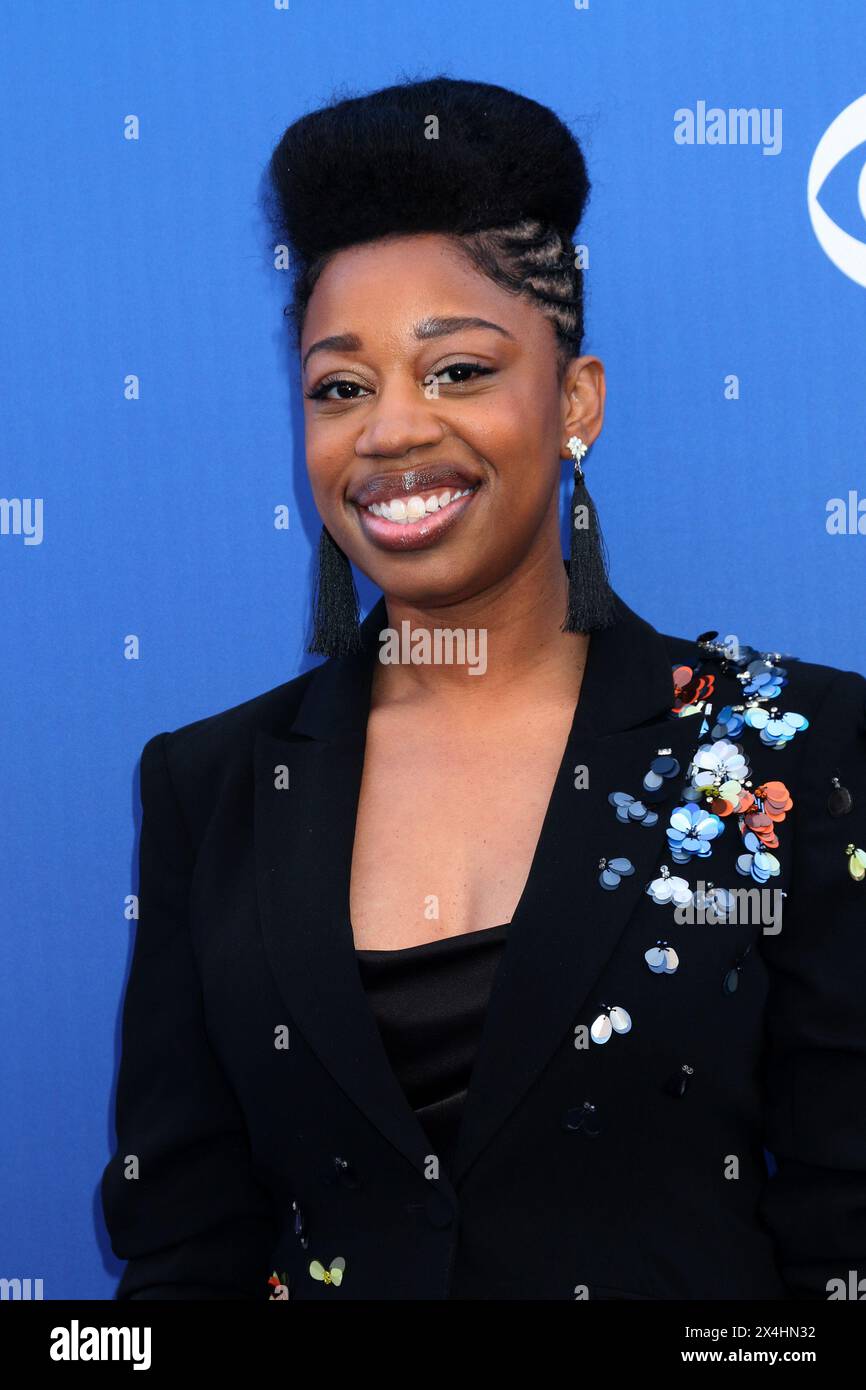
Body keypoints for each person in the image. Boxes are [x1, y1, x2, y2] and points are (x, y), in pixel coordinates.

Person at [101, 74, 866, 1301]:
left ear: (573, 403)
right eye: (339, 387)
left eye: (454, 370)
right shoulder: (215, 784)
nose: (391, 430)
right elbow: (183, 1243)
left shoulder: (786, 753)